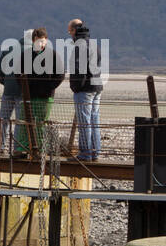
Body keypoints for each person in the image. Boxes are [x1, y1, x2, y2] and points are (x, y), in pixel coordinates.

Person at [16, 27, 64, 155]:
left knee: (41, 124)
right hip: (28, 95)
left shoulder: (53, 54)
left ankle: (42, 149)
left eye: (42, 41)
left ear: (46, 41)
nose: (40, 44)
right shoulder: (25, 55)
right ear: (33, 41)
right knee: (25, 122)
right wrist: (24, 88)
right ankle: (22, 149)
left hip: (45, 97)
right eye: (37, 41)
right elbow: (17, 73)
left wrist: (49, 87)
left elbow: (60, 75)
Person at [67, 18, 103, 160]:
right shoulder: (94, 44)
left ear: (74, 30)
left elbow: (78, 70)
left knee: (84, 121)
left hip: (85, 89)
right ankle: (95, 151)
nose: (70, 34)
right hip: (97, 86)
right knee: (94, 120)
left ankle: (85, 153)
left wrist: (75, 87)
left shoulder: (79, 46)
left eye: (69, 31)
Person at [0, 33, 25, 153]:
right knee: (19, 121)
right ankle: (17, 148)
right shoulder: (31, 51)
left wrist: (5, 81)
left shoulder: (9, 49)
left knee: (3, 119)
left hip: (8, 89)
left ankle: (0, 146)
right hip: (22, 91)